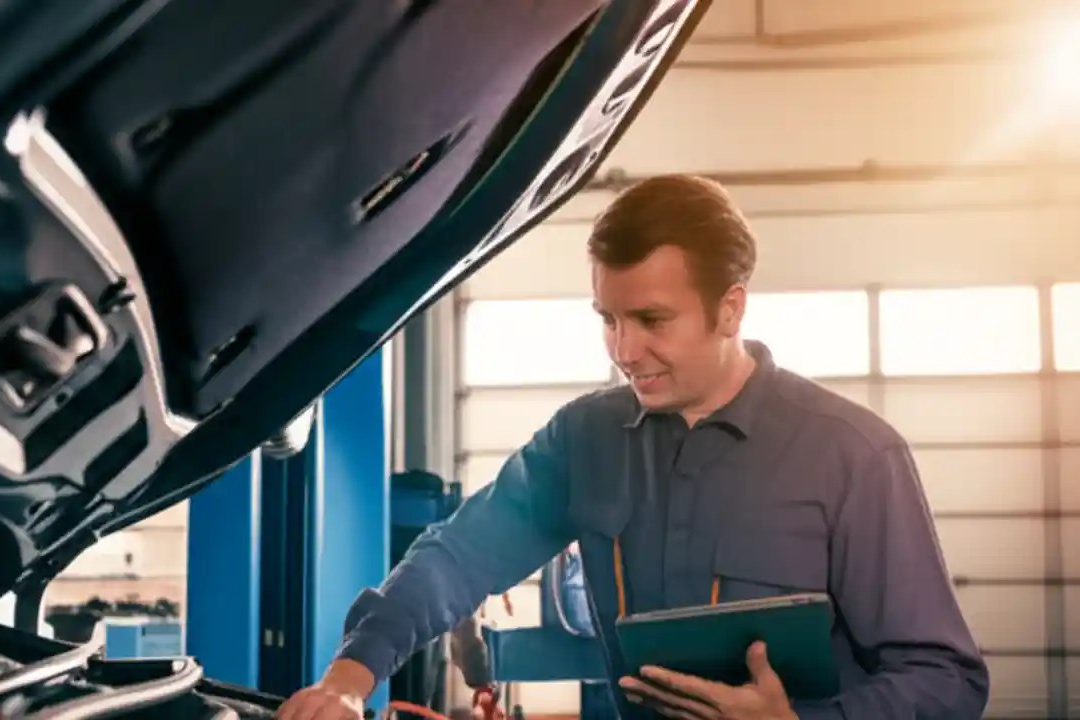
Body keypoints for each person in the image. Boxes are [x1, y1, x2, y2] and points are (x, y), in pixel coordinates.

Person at [277, 174, 990, 720]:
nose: (624, 350)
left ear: (730, 307)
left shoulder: (852, 457)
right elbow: (458, 557)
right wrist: (350, 678)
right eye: (608, 319)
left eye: (651, 319)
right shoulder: (586, 440)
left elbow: (947, 677)